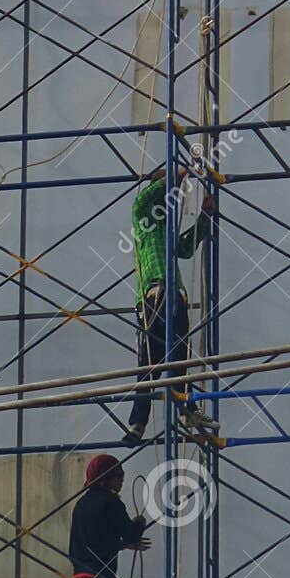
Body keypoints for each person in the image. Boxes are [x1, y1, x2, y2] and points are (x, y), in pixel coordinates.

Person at [128, 164, 213, 440]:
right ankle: (137, 423)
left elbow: (186, 248)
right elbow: (144, 199)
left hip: (174, 296)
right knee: (149, 364)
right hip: (155, 296)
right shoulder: (143, 219)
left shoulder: (164, 229)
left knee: (179, 360)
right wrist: (175, 176)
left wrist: (205, 218)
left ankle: (185, 408)